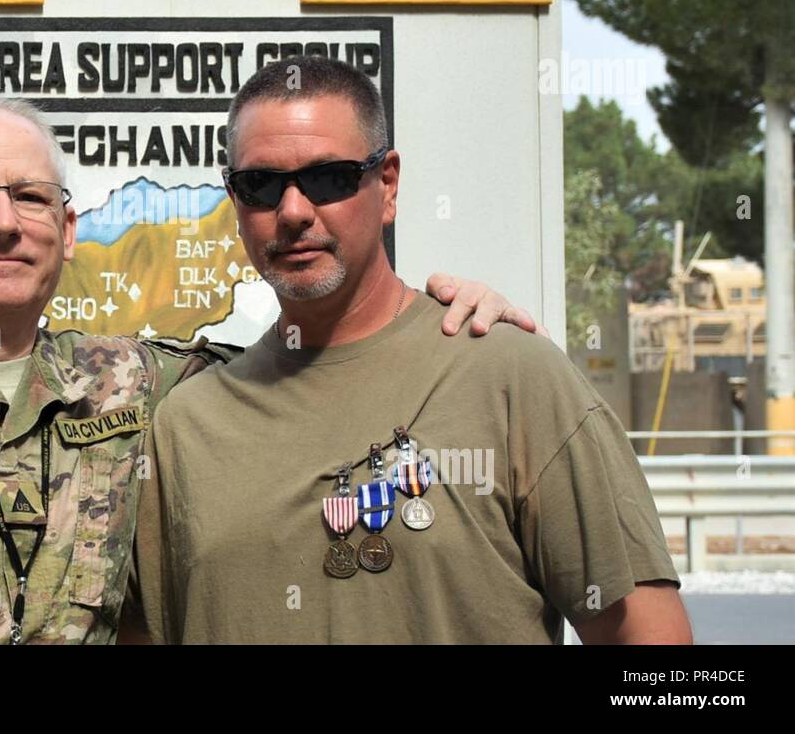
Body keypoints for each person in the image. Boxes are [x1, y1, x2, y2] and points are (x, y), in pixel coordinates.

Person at [0, 98, 532, 644]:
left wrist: (445, 314)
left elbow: (313, 376)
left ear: (69, 226)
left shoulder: (142, 384)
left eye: (31, 198)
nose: (5, 224)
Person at [127, 56, 692, 644]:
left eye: (329, 177)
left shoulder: (514, 378)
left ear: (387, 184)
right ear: (236, 201)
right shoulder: (182, 428)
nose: (293, 212)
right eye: (261, 185)